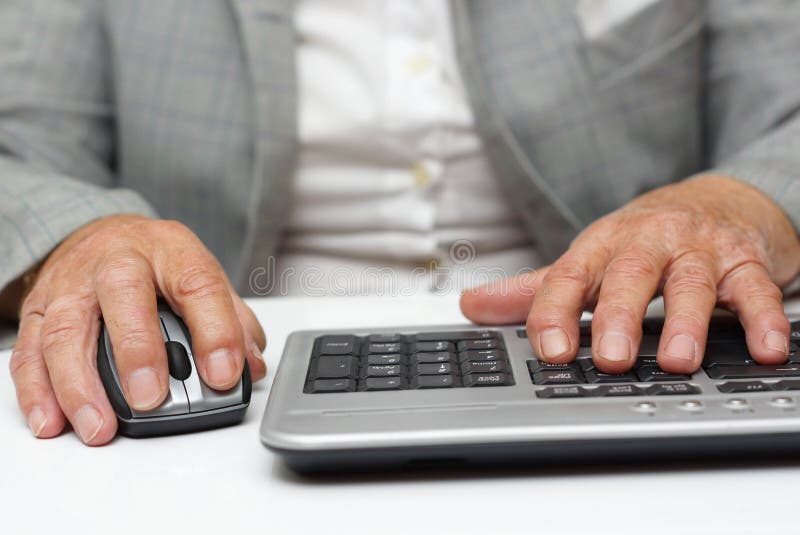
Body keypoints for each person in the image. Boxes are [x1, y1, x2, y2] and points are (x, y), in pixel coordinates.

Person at [2, 0, 799, 445]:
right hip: (232, 387)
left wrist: (735, 206)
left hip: (627, 355)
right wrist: (82, 237)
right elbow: (17, 146)